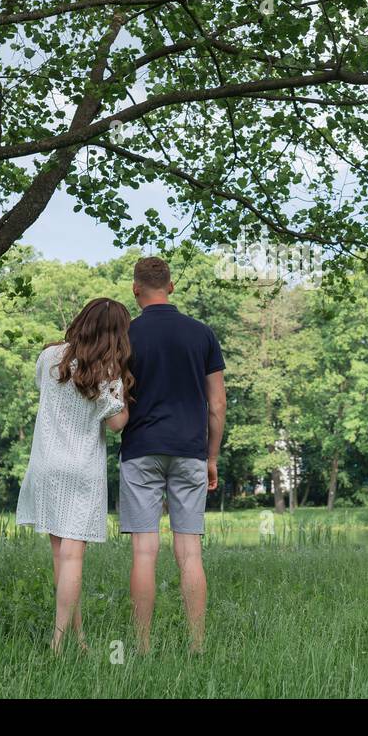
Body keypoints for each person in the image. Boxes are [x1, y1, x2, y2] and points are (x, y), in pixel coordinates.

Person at [119, 256, 226, 653]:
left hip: (141, 449)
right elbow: (217, 405)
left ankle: (143, 647)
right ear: (172, 286)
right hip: (189, 451)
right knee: (190, 550)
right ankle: (196, 645)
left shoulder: (125, 336)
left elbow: (116, 400)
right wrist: (210, 457)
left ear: (135, 289)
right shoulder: (202, 334)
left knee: (144, 552)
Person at [15, 297, 132, 653]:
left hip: (46, 464)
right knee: (73, 558)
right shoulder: (108, 371)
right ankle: (58, 641)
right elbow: (116, 425)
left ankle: (77, 638)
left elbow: (47, 393)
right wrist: (123, 394)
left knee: (60, 558)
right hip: (80, 469)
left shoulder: (50, 357)